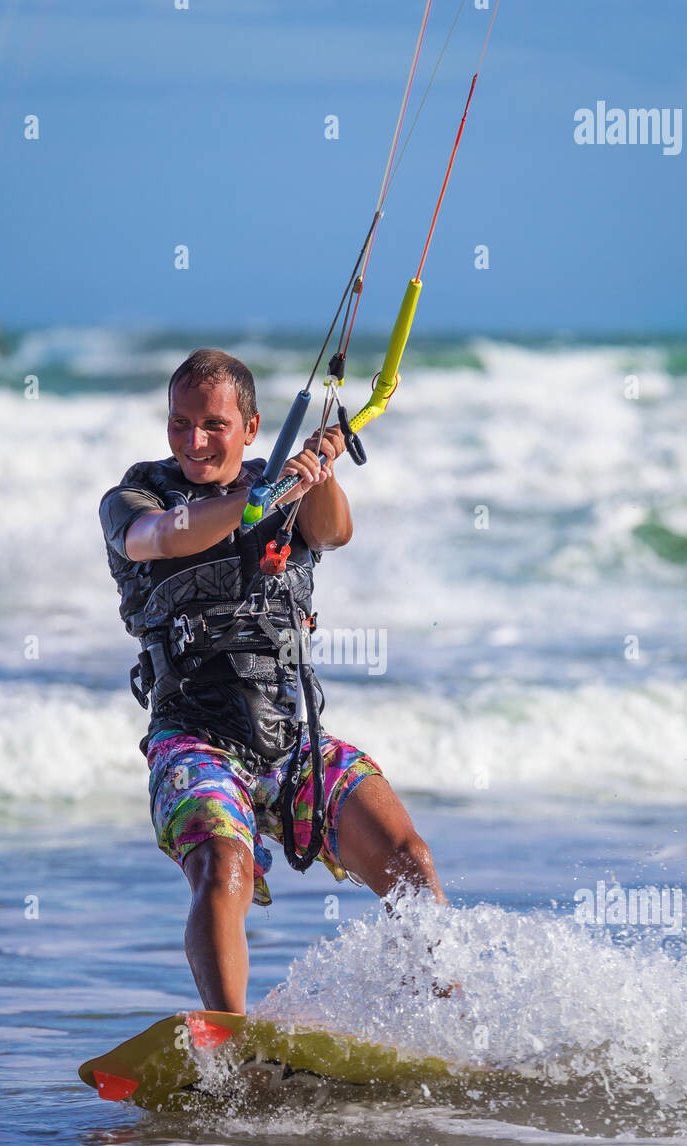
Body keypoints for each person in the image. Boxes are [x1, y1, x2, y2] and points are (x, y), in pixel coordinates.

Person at [99, 348, 446, 1014]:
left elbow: (333, 532)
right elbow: (163, 539)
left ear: (252, 428)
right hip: (193, 739)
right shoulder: (134, 498)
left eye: (212, 425)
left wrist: (315, 476)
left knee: (411, 860)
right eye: (179, 422)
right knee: (223, 868)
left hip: (290, 740)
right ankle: (230, 1037)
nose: (193, 440)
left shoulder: (284, 488)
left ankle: (444, 1018)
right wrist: (254, 498)